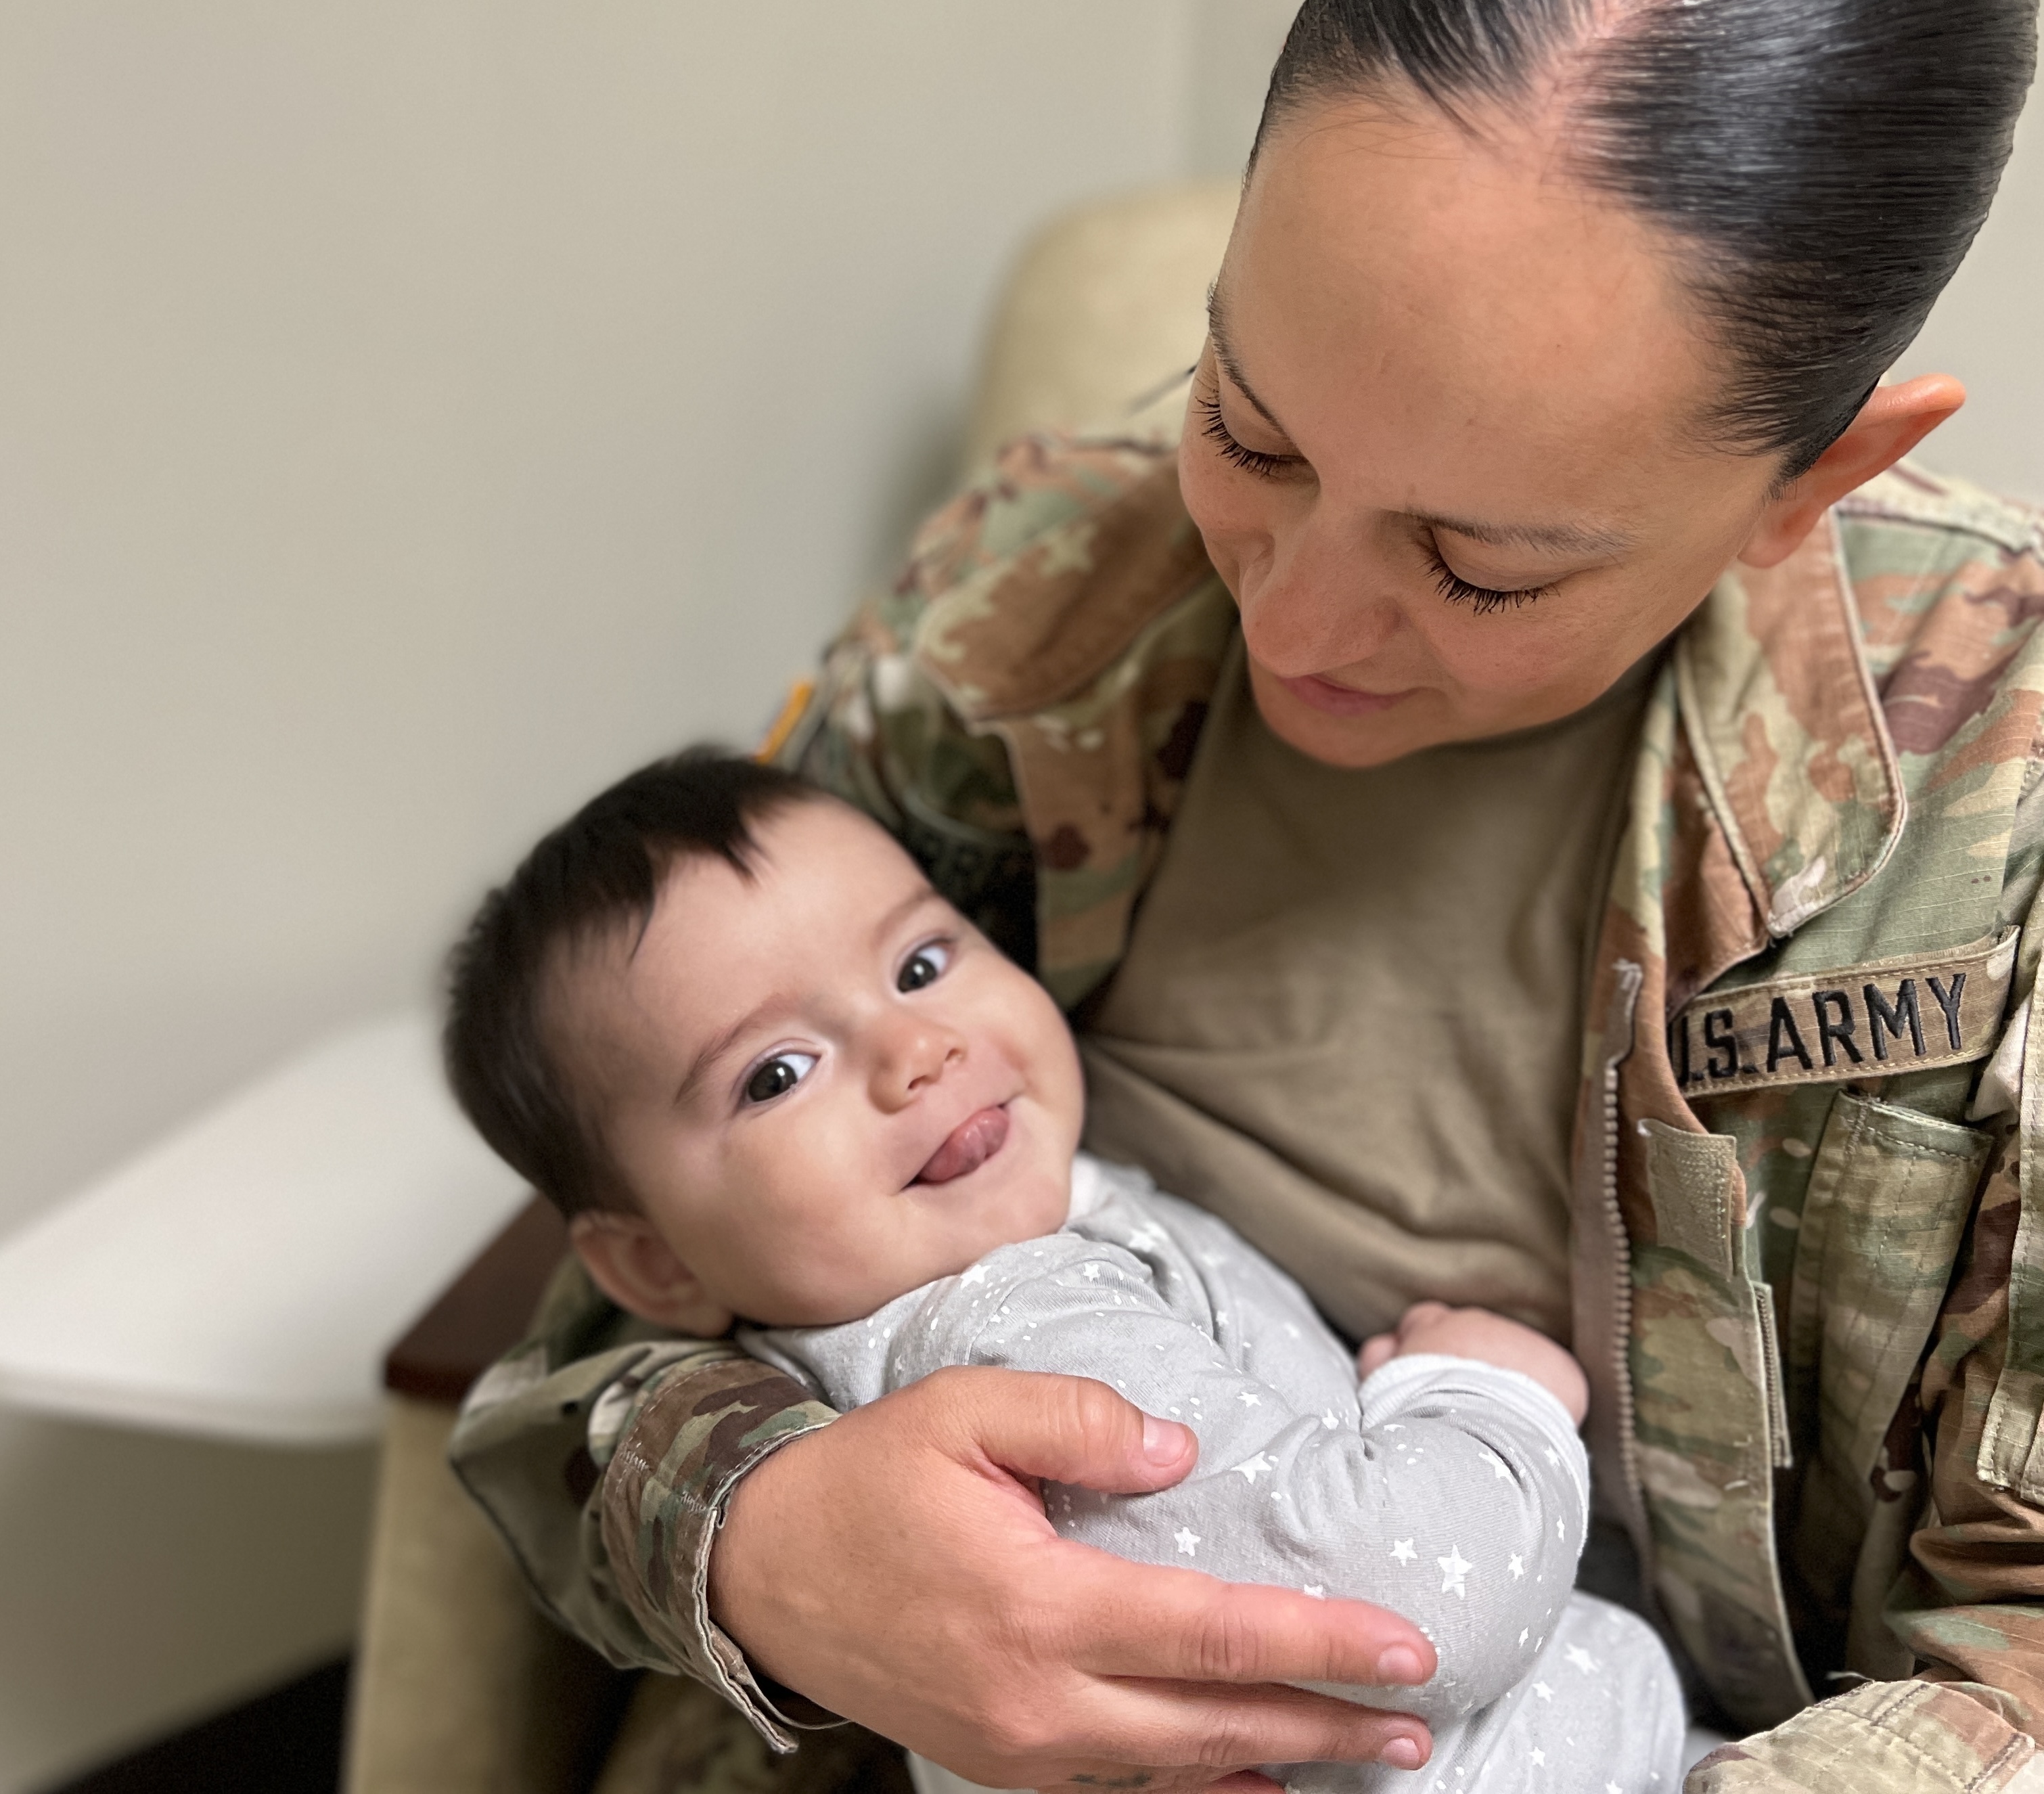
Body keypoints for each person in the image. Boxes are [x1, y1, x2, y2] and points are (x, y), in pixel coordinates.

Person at [449, 0, 2044, 1789]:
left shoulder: (1986, 814)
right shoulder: (1037, 603)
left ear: (1811, 477)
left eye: (1472, 566)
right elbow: (620, 1266)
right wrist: (764, 1538)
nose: (1293, 623)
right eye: (1249, 424)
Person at [442, 748, 1687, 1794]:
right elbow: (1414, 1617)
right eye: (775, 1072)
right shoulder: (1012, 1326)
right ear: (653, 1262)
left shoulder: (979, 1258)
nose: (915, 1051)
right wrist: (1483, 1394)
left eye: (920, 964)